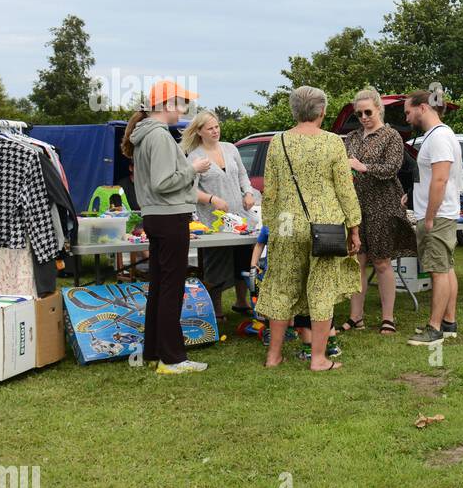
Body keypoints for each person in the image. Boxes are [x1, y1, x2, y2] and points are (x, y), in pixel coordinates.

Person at [255, 86, 361, 371]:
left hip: (287, 224)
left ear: (294, 111)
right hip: (325, 224)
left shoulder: (279, 142)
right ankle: (318, 358)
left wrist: (270, 226)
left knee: (280, 286)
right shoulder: (333, 143)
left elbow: (271, 190)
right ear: (322, 111)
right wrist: (354, 227)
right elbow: (345, 189)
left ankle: (273, 356)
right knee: (322, 289)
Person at [123, 79, 212, 375]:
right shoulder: (159, 135)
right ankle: (172, 359)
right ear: (165, 105)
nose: (184, 108)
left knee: (161, 286)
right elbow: (163, 182)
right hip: (169, 216)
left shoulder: (147, 133)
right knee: (171, 288)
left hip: (156, 216)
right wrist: (192, 169)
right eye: (181, 102)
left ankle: (154, 352)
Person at [342, 87, 416, 335]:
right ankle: (356, 317)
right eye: (359, 113)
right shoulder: (351, 138)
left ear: (379, 110)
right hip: (357, 206)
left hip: (383, 205)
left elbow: (392, 168)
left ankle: (388, 318)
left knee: (382, 262)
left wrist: (363, 167)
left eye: (368, 112)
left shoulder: (391, 136)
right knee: (357, 261)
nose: (363, 117)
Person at [183, 110, 258, 322]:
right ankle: (216, 309)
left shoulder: (230, 148)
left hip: (241, 218)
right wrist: (211, 198)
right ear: (199, 131)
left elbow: (243, 175)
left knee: (244, 260)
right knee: (217, 263)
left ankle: (241, 301)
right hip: (214, 222)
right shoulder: (195, 157)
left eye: (217, 127)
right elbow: (189, 191)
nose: (215, 131)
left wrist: (249, 192)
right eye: (210, 128)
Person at [404, 90, 462, 347]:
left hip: (437, 216)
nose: (406, 118)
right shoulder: (438, 136)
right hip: (441, 214)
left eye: (408, 111)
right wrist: (412, 196)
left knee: (438, 271)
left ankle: (434, 329)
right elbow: (430, 178)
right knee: (446, 268)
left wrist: (428, 217)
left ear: (423, 107)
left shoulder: (439, 138)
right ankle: (449, 322)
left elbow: (440, 179)